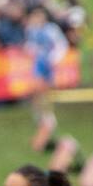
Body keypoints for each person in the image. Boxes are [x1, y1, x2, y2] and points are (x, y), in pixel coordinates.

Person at [25, 8, 68, 152]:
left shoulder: (51, 29)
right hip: (36, 66)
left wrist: (53, 59)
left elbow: (61, 46)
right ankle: (43, 128)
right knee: (37, 99)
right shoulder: (32, 30)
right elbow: (30, 47)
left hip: (46, 68)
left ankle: (46, 130)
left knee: (44, 98)